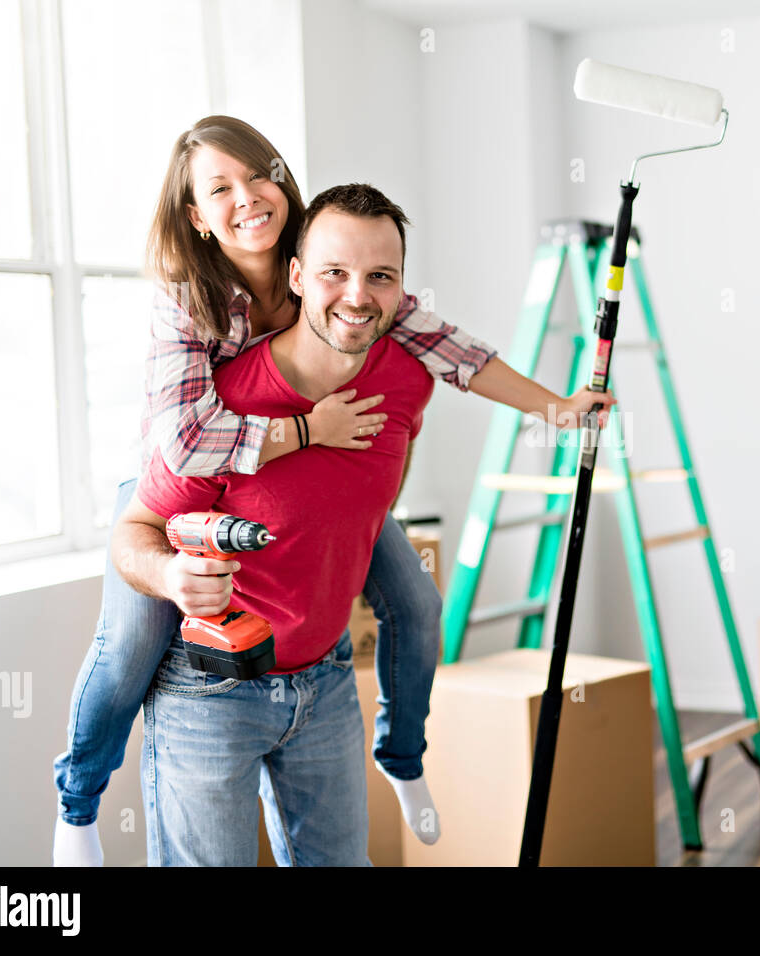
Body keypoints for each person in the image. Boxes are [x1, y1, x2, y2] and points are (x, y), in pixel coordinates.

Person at [51, 116, 616, 865]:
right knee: (131, 643)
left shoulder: (336, 262)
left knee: (416, 603)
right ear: (195, 215)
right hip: (181, 464)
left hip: (302, 481)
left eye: (259, 176)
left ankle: (403, 758)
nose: (247, 198)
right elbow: (184, 442)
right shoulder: (190, 301)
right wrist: (307, 432)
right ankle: (79, 801)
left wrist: (558, 408)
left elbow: (457, 354)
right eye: (220, 189)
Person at [120, 183, 440, 864]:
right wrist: (172, 574)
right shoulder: (228, 403)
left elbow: (373, 501)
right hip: (210, 690)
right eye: (334, 272)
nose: (358, 296)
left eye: (380, 276)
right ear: (296, 277)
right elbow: (133, 533)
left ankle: (404, 756)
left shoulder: (408, 383)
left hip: (324, 685)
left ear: (401, 287)